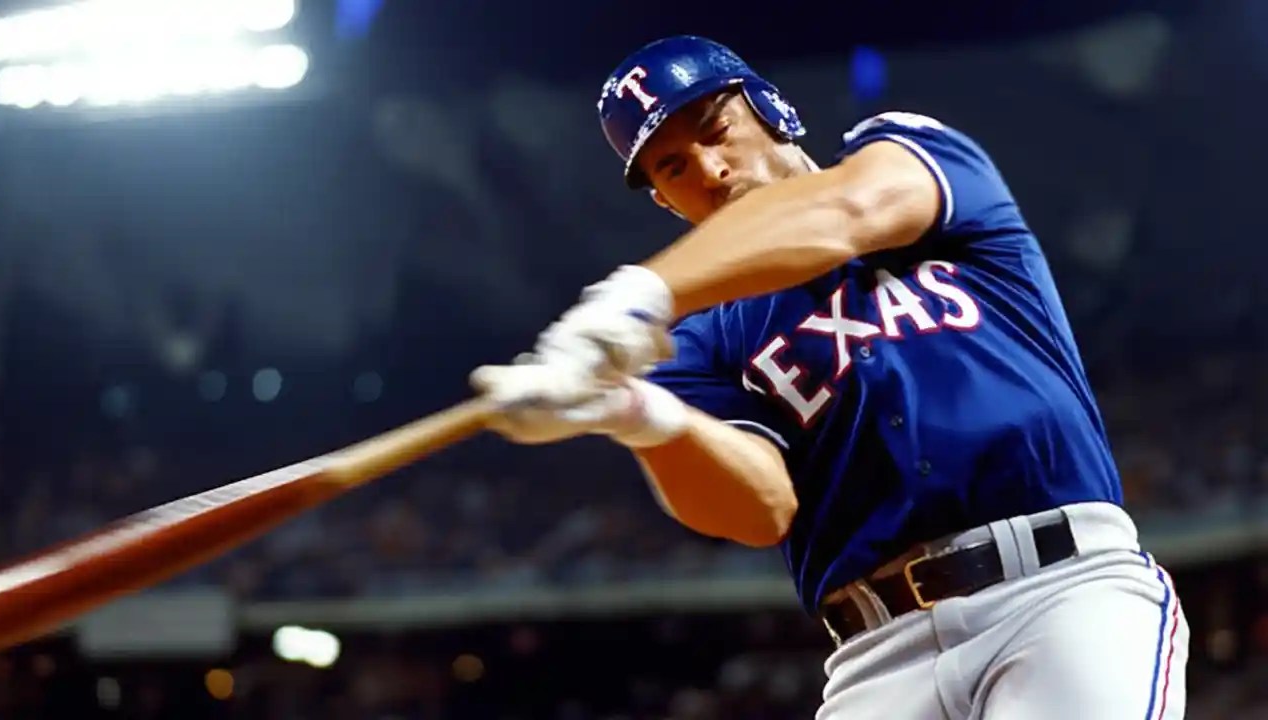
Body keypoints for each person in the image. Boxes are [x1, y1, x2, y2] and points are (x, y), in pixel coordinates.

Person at [470, 35, 1189, 719]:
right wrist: (631, 412)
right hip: (877, 653)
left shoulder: (908, 151)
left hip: (1058, 594)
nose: (709, 169)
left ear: (773, 108)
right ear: (664, 201)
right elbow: (758, 509)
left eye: (714, 127)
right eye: (672, 167)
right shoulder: (694, 339)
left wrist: (637, 294)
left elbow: (848, 212)